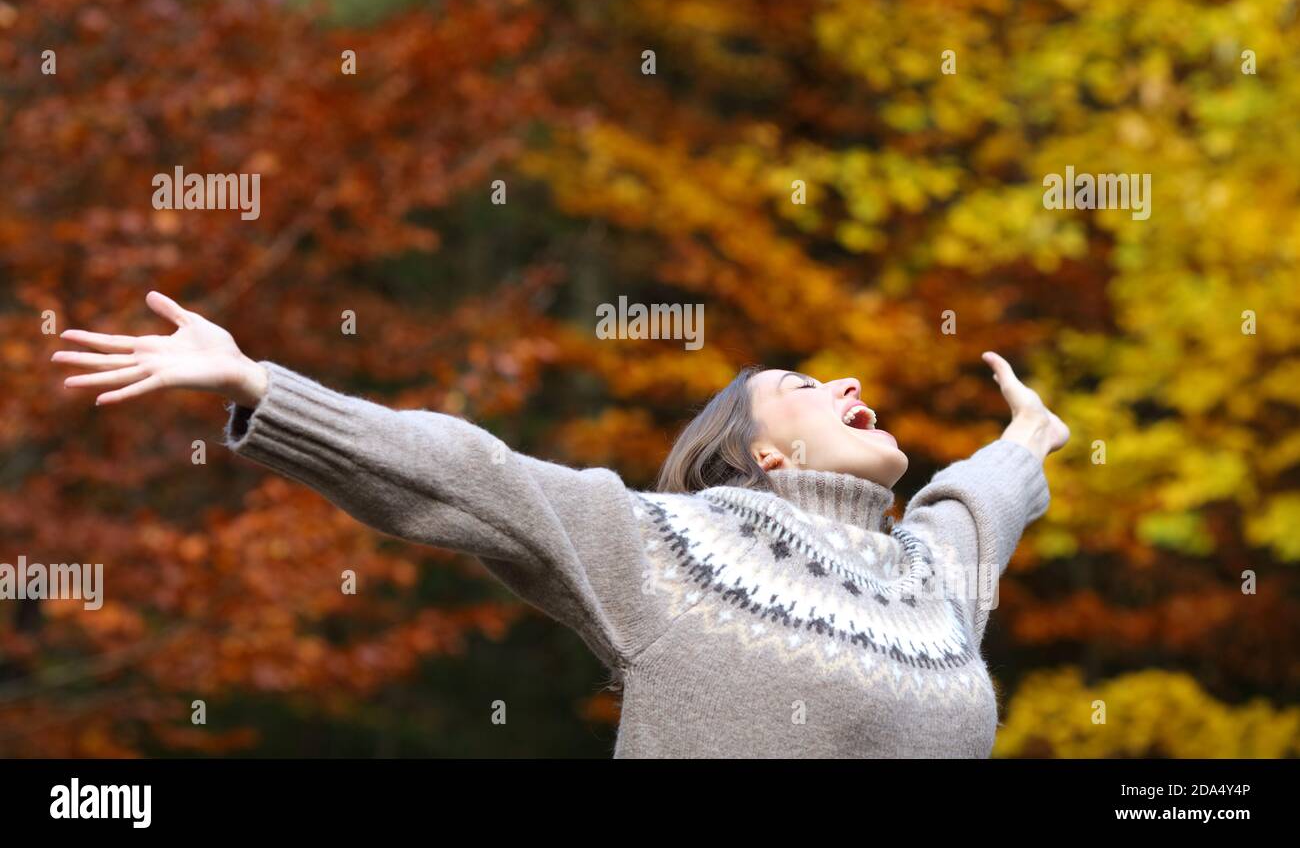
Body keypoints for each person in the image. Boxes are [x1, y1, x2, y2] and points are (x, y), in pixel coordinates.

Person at [53, 290, 1069, 757]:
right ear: (766, 454)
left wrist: (1027, 439)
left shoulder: (929, 578)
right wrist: (265, 385)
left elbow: (971, 499)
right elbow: (477, 475)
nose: (848, 379)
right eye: (801, 385)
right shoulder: (685, 548)